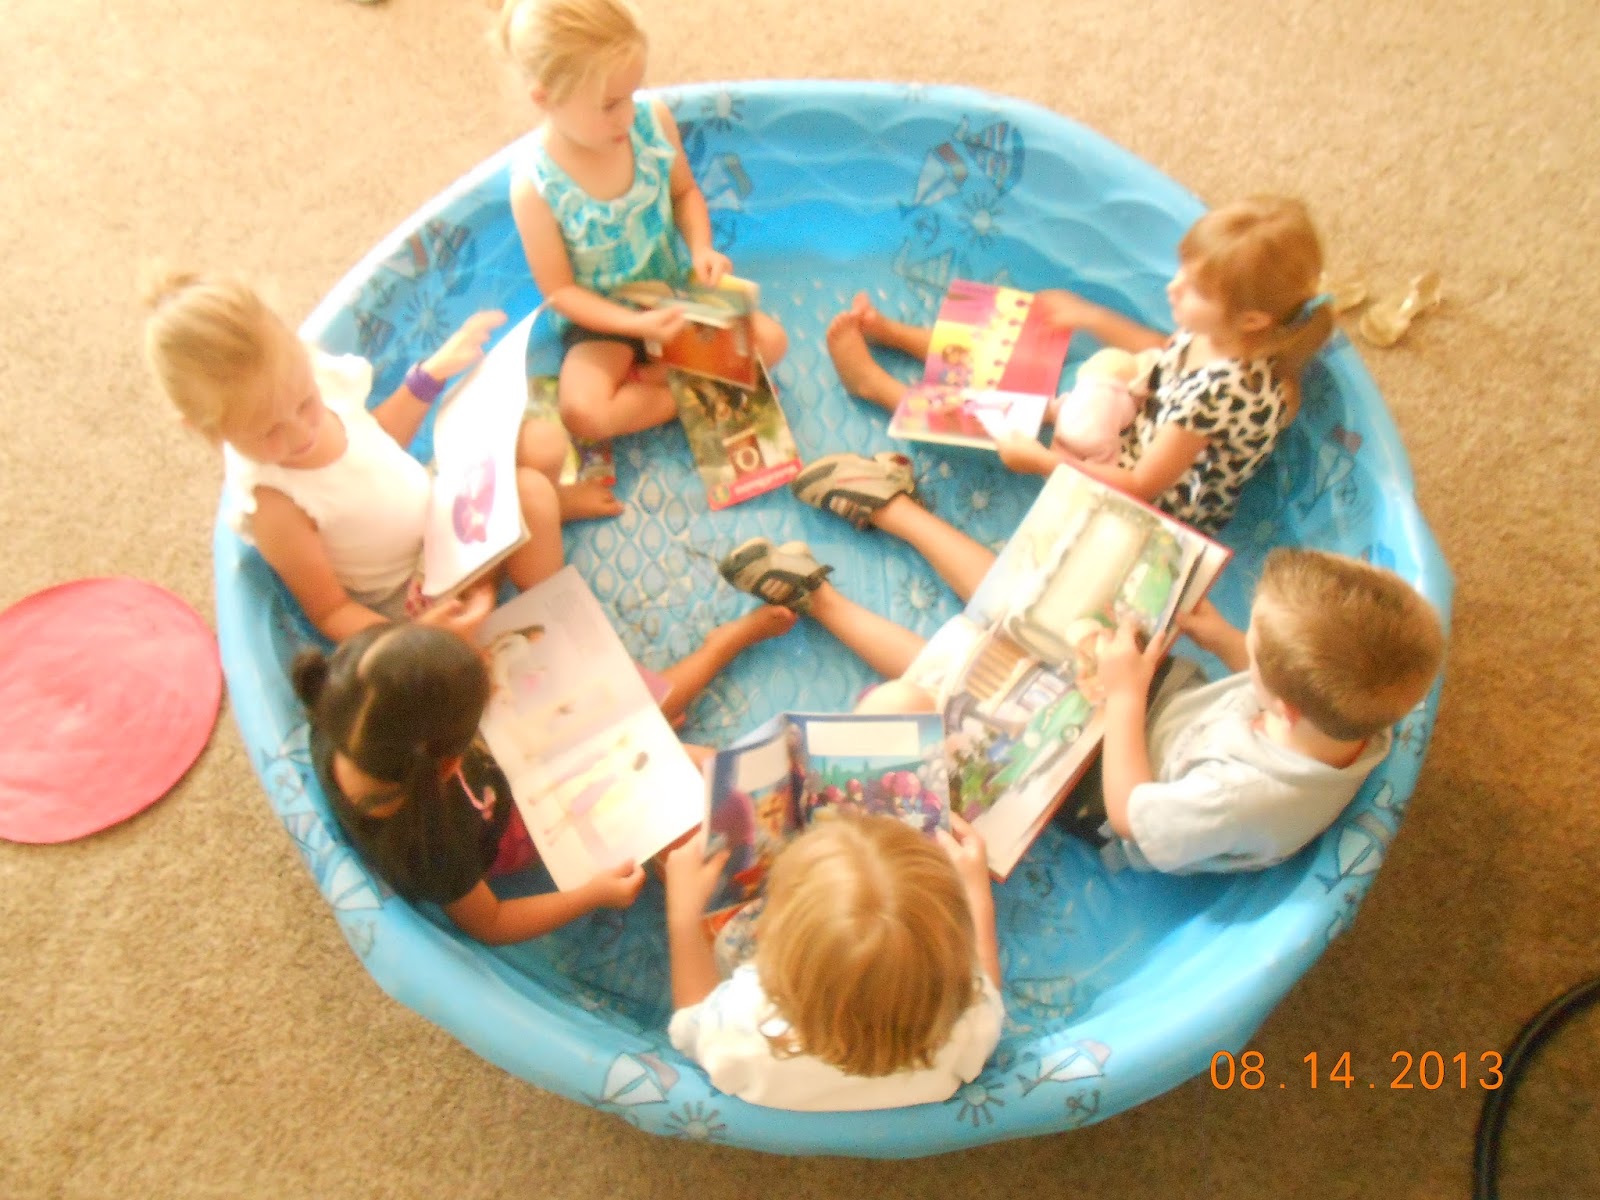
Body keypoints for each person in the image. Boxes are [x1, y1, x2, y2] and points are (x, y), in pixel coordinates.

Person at [718, 537, 1444, 877]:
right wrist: (1223, 638)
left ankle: (820, 598)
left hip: (1105, 784)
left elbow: (1136, 816)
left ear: (1280, 705)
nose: (1240, 647)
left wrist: (1125, 699)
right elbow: (1277, 689)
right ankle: (900, 517)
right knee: (1038, 616)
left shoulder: (1239, 799)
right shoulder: (1347, 712)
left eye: (1250, 650)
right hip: (1166, 710)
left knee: (954, 686)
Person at [143, 269, 621, 645]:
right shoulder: (272, 502)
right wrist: (421, 637)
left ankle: (537, 522)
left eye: (305, 402)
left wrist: (429, 376)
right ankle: (552, 621)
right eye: (269, 432)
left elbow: (373, 437)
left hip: (440, 510)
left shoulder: (312, 374)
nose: (300, 431)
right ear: (207, 434)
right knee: (532, 495)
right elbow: (331, 611)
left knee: (541, 440)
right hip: (421, 591)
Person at [822, 195, 1334, 536]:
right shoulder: (1233, 337)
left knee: (1004, 430)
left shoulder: (1219, 396)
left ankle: (877, 386)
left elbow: (1141, 487)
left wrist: (1042, 461)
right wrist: (1090, 316)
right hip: (1141, 415)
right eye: (1182, 272)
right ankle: (897, 335)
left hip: (1145, 502)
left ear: (1250, 319)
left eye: (1194, 289)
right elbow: (1163, 349)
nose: (1171, 287)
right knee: (1022, 354)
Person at [293, 606, 797, 945]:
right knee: (684, 778)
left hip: (512, 756)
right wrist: (593, 893)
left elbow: (383, 673)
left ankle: (719, 649)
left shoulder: (347, 713)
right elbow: (489, 923)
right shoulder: (431, 847)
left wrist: (435, 642)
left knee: (630, 708)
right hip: (520, 818)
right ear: (452, 761)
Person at [496, 0, 788, 442]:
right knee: (582, 414)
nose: (628, 115)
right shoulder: (534, 186)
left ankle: (664, 380)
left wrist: (702, 249)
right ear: (546, 98)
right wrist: (634, 326)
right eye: (610, 105)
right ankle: (687, 389)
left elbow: (684, 193)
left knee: (771, 342)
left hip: (669, 290)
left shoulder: (652, 123)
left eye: (632, 94)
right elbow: (560, 291)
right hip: (603, 320)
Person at [662, 811, 1004, 1111]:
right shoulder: (966, 1028)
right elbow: (987, 992)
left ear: (780, 968)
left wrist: (683, 915)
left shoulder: (740, 1033)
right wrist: (977, 894)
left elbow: (689, 1022)